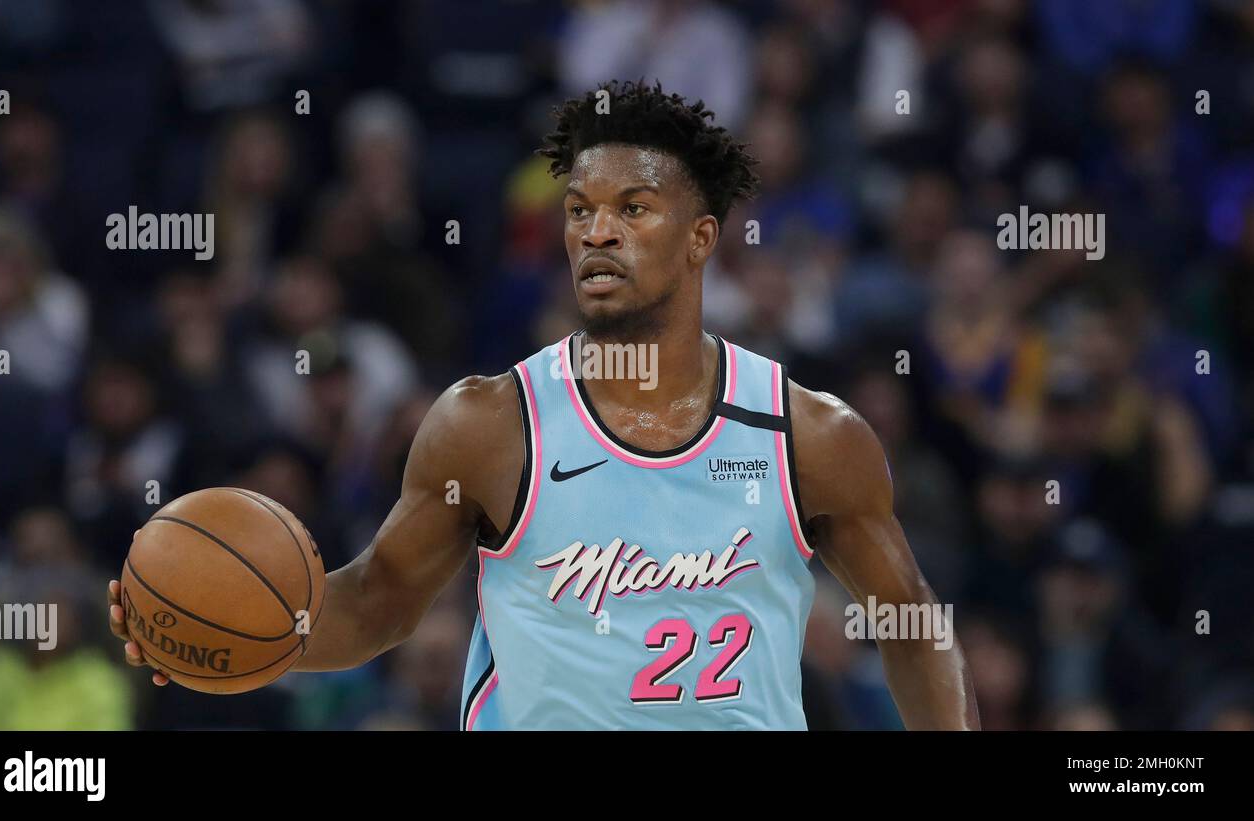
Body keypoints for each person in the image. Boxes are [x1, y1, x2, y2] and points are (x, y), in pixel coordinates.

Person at [109, 80, 978, 730]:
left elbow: (909, 623)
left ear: (701, 238)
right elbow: (374, 603)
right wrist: (212, 626)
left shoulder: (809, 434)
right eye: (579, 209)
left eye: (633, 208)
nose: (596, 231)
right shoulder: (490, 424)